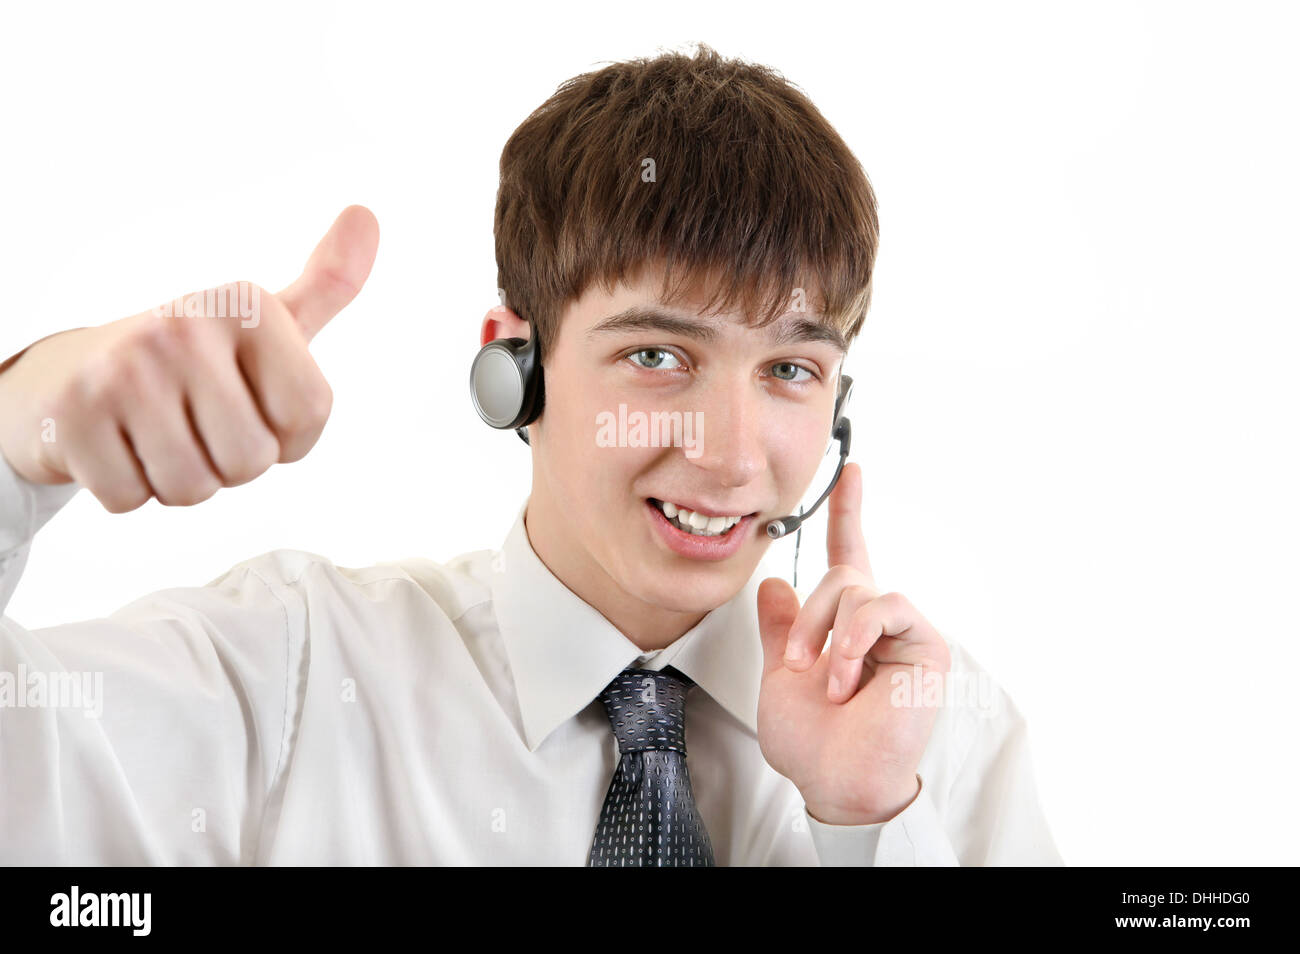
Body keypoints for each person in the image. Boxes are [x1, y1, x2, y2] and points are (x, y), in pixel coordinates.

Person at [0, 45, 1061, 865]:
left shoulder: (936, 731)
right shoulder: (293, 672)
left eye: (788, 369)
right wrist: (22, 426)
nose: (734, 454)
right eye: (657, 353)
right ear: (515, 367)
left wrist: (865, 825)